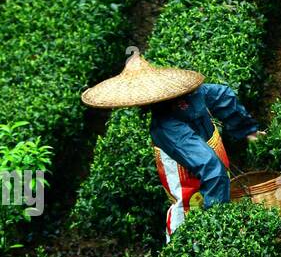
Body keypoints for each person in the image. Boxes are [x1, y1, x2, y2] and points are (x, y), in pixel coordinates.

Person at [82, 53, 263, 239]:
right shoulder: (196, 95)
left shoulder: (164, 127)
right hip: (222, 186)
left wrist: (215, 226)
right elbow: (224, 95)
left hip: (196, 200)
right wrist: (248, 131)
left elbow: (211, 169)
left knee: (188, 237)